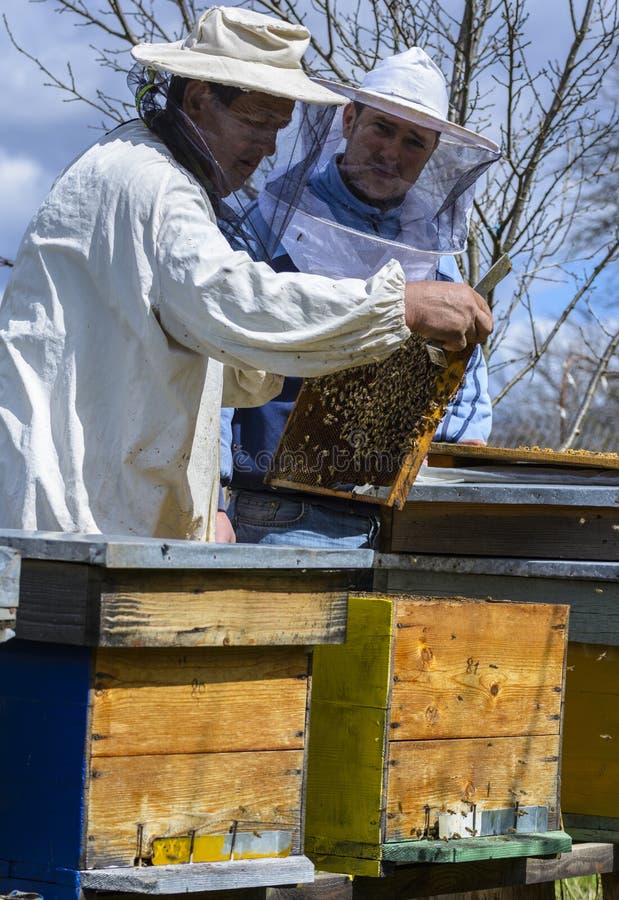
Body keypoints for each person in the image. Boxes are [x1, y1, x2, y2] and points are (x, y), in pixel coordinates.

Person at [0, 8, 493, 542]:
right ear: (196, 100)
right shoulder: (156, 187)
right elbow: (231, 304)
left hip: (101, 502)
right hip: (77, 510)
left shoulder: (146, 170)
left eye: (278, 128)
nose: (267, 147)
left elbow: (201, 354)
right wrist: (398, 307)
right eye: (257, 123)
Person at [221, 48, 500, 547]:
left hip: (388, 516)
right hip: (275, 512)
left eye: (414, 141)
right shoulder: (270, 228)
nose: (392, 152)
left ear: (433, 153)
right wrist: (213, 495)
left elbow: (465, 379)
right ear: (349, 120)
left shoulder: (433, 253)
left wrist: (466, 459)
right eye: (382, 129)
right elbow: (214, 356)